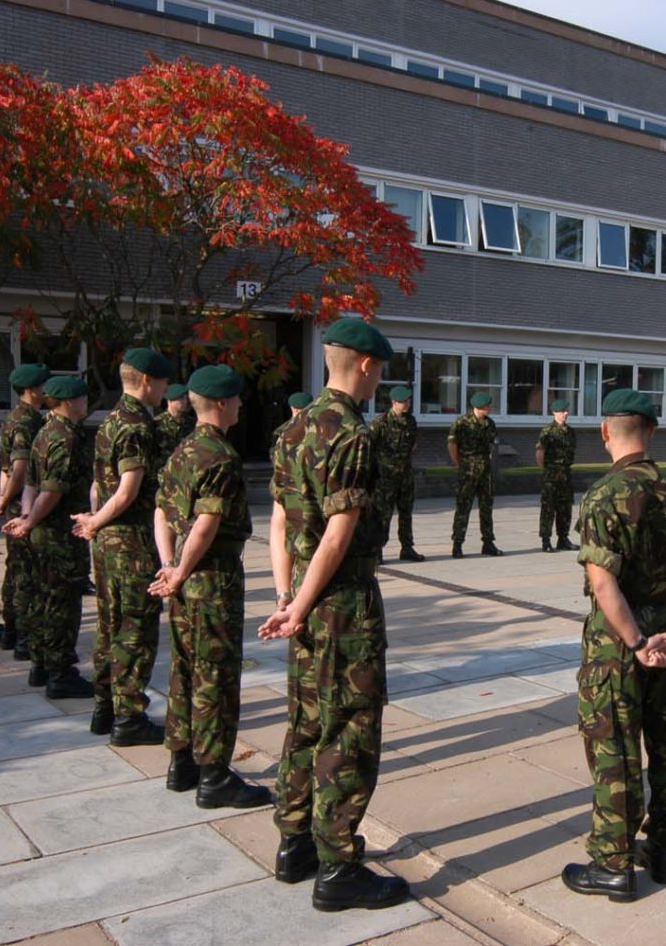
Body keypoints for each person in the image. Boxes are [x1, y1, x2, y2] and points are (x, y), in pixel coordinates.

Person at [260, 319, 410, 912]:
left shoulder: (291, 429)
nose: (380, 380)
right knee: (348, 729)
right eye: (380, 370)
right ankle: (339, 868)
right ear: (366, 366)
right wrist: (301, 604)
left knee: (304, 721)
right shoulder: (351, 435)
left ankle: (295, 844)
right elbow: (339, 534)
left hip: (302, 596)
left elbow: (279, 521)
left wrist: (286, 598)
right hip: (342, 603)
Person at [562, 389, 666, 902]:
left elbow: (603, 583)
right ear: (652, 432)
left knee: (615, 749)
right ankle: (663, 850)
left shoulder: (603, 496)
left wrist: (637, 641)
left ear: (606, 431)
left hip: (618, 642)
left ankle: (613, 863)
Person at [151, 364, 271, 809]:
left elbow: (161, 512)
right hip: (212, 578)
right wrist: (181, 570)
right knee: (216, 675)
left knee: (184, 668)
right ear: (221, 403)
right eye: (236, 399)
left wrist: (169, 566)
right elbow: (207, 522)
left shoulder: (182, 450)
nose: (240, 405)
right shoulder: (220, 456)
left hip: (184, 579)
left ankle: (182, 762)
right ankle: (215, 776)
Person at [72, 348, 171, 745]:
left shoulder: (110, 420)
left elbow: (99, 485)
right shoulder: (136, 426)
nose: (165, 389)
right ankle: (129, 718)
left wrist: (95, 521)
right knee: (135, 630)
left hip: (108, 542)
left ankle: (105, 707)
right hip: (130, 542)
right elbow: (128, 490)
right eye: (162, 382)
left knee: (109, 625)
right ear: (147, 381)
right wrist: (96, 521)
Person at [4, 374, 94, 699]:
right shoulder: (66, 437)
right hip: (60, 535)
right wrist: (31, 520)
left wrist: (27, 517)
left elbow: (31, 482)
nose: (86, 404)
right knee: (62, 604)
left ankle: (41, 664)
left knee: (43, 600)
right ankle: (60, 674)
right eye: (83, 398)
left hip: (42, 531)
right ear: (69, 402)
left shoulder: (43, 432)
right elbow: (52, 490)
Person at [0, 364, 51, 657]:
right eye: (42, 385)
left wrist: (3, 496)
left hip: (16, 502)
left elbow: (6, 469)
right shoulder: (27, 421)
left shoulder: (14, 418)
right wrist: (6, 499)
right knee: (27, 572)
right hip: (25, 505)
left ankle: (12, 631)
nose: (46, 390)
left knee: (16, 567)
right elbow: (20, 467)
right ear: (31, 390)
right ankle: (25, 637)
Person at [370, 385, 424, 563]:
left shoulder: (411, 421)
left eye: (408, 401)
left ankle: (407, 548)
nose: (407, 404)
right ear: (394, 402)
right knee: (383, 515)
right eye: (403, 402)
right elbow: (369, 447)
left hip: (405, 476)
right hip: (385, 478)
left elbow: (413, 444)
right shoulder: (381, 422)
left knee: (406, 513)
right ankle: (377, 550)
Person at [448, 392, 502, 558]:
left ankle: (488, 543)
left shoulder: (489, 424)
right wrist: (459, 463)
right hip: (468, 472)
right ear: (479, 407)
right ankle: (457, 544)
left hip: (485, 472)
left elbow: (493, 445)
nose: (490, 408)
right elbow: (452, 444)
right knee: (463, 508)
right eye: (487, 406)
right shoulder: (462, 423)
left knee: (486, 508)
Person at [536, 398, 578, 552]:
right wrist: (547, 469)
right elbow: (540, 452)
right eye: (561, 412)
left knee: (565, 508)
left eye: (566, 411)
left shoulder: (570, 432)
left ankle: (563, 539)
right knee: (548, 508)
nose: (564, 414)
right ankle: (546, 541)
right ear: (554, 413)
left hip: (565, 474)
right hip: (551, 475)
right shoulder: (547, 431)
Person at [155, 383, 194, 457]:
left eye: (185, 398)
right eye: (180, 398)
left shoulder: (191, 422)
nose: (184, 402)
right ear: (170, 401)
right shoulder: (158, 423)